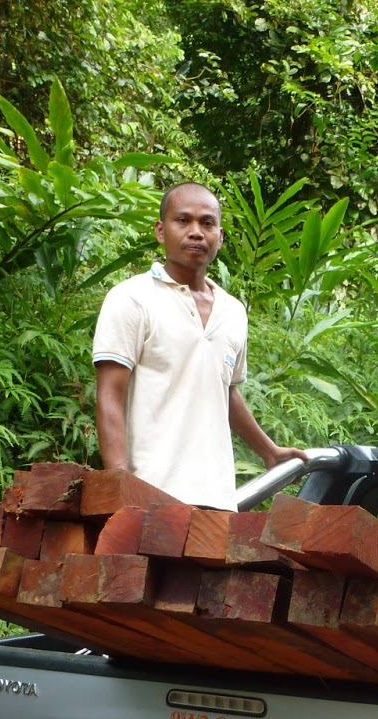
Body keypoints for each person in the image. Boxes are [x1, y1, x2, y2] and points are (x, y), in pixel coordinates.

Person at [93, 182, 304, 509]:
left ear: (219, 236)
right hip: (149, 494)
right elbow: (109, 395)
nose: (196, 232)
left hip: (217, 499)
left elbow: (225, 391)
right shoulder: (132, 298)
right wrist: (120, 483)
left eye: (207, 223)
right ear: (161, 231)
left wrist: (268, 451)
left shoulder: (232, 312)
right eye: (183, 221)